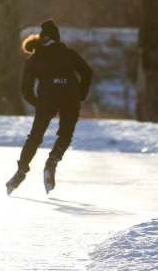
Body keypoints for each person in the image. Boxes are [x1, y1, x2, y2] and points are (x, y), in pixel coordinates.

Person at [6, 19, 93, 196]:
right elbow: (87, 72)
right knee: (65, 133)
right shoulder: (68, 53)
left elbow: (25, 89)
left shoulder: (35, 57)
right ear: (57, 38)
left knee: (36, 135)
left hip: (48, 97)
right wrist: (81, 94)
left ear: (41, 38)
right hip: (70, 95)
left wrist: (38, 103)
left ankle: (21, 171)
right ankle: (52, 162)